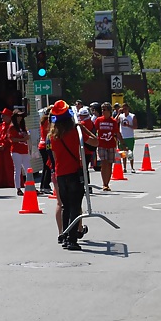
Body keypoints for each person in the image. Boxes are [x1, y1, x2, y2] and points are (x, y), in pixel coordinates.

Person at [49, 100, 97, 251]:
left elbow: (56, 157)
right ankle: (72, 239)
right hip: (74, 172)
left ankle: (65, 235)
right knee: (76, 206)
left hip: (60, 173)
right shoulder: (76, 132)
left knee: (66, 206)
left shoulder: (53, 135)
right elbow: (95, 142)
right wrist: (84, 128)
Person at [93, 102, 122, 191]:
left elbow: (117, 133)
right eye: (102, 110)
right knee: (104, 163)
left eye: (104, 110)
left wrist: (123, 144)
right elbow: (94, 130)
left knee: (109, 164)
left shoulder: (113, 121)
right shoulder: (99, 120)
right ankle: (104, 183)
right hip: (101, 144)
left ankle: (107, 183)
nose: (103, 111)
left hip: (111, 145)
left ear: (109, 111)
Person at [9, 110, 31, 194]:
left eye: (21, 116)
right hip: (16, 150)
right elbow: (12, 139)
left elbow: (27, 136)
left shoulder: (23, 127)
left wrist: (27, 136)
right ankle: (18, 188)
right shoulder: (12, 127)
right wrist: (22, 139)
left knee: (28, 169)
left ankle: (30, 186)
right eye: (18, 116)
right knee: (18, 170)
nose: (20, 118)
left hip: (24, 150)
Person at [0, 108, 14, 189]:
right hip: (0, 149)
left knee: (9, 166)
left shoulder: (12, 126)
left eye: (4, 116)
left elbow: (11, 138)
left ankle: (10, 182)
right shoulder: (0, 126)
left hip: (8, 149)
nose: (2, 117)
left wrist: (4, 145)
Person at [118, 103, 137, 173]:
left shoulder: (132, 116)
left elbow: (135, 126)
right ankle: (124, 167)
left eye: (125, 108)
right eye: (123, 109)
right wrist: (118, 113)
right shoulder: (120, 116)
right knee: (123, 153)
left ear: (128, 109)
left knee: (130, 153)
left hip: (130, 137)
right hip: (122, 137)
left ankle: (132, 167)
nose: (124, 110)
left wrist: (128, 125)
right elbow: (114, 121)